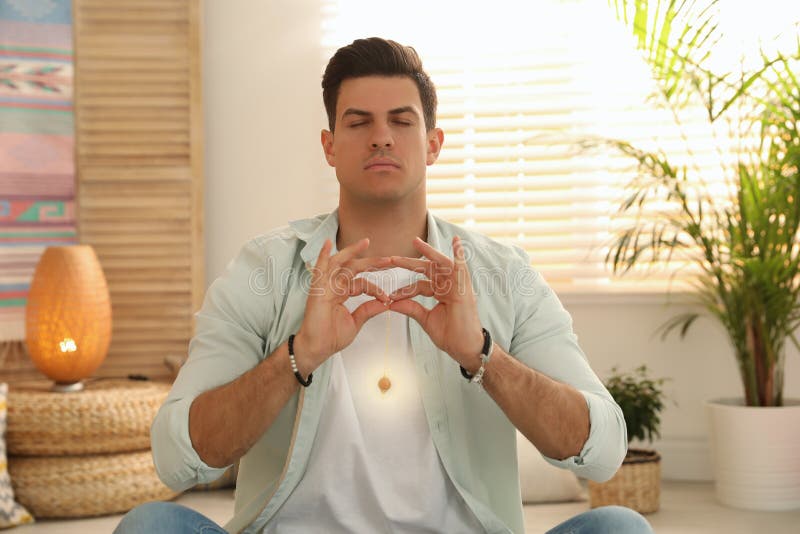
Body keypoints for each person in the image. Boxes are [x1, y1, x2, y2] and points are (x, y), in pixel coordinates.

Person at [115, 37, 652, 534]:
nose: (380, 137)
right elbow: (176, 454)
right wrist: (298, 356)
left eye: (401, 120)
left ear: (434, 144)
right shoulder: (264, 269)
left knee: (621, 529)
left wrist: (481, 354)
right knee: (151, 526)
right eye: (358, 123)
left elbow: (602, 449)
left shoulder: (503, 273)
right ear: (329, 146)